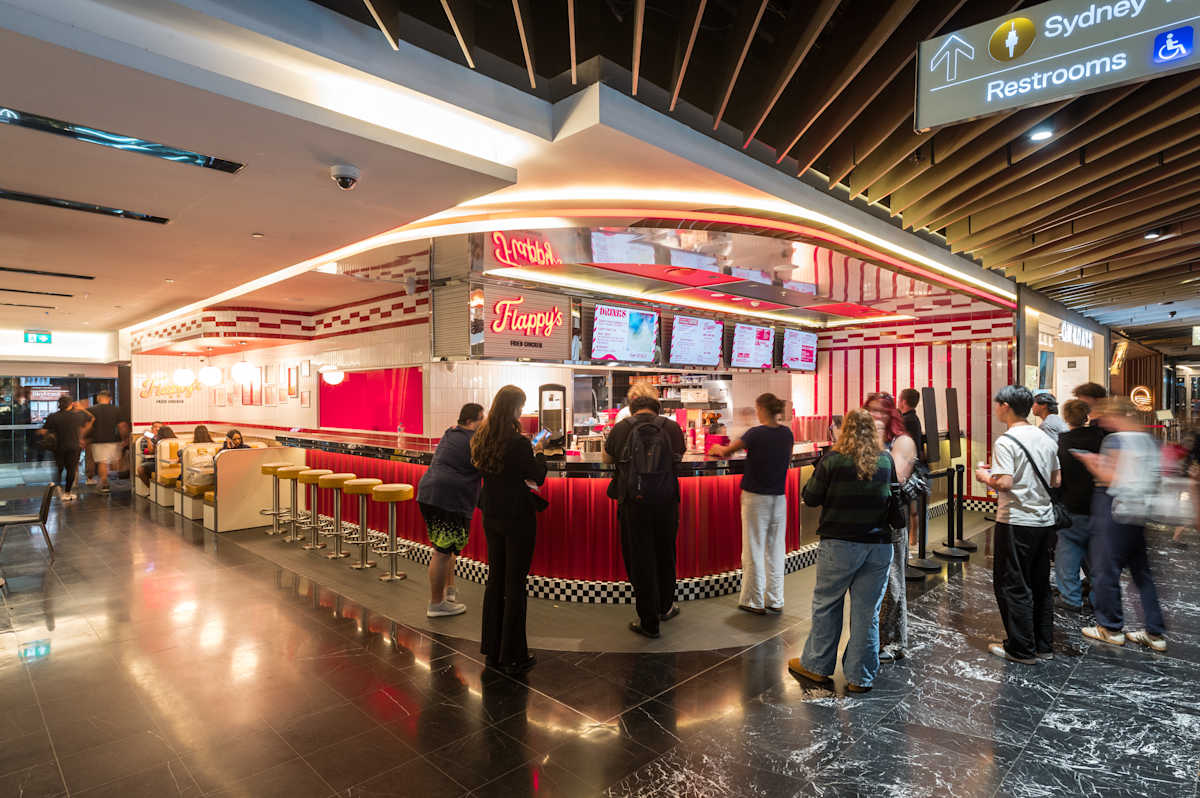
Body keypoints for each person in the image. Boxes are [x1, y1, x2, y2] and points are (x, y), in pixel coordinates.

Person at [787, 409, 895, 693]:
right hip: (879, 547)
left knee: (827, 605)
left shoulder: (832, 460)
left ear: (843, 430)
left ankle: (817, 667)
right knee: (867, 612)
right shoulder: (885, 460)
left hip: (840, 545)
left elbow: (810, 498)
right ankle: (861, 677)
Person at [975, 385, 1060, 665]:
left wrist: (985, 476)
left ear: (1006, 407)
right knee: (1039, 583)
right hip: (1044, 521)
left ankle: (1021, 647)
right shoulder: (1045, 437)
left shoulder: (1006, 441)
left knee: (1013, 583)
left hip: (1015, 521)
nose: (995, 408)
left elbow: (1005, 482)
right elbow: (1056, 480)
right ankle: (1043, 644)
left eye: (997, 403)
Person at [1075, 399, 1167, 653]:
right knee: (1142, 574)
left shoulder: (1114, 441)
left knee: (1106, 570)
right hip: (1138, 513)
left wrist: (1091, 463)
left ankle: (1110, 627)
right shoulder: (1148, 440)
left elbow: (1110, 477)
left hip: (1114, 509)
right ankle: (1155, 632)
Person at [472, 387, 546, 675]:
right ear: (515, 408)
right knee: (515, 584)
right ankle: (514, 654)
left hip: (491, 514)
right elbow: (536, 476)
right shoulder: (518, 442)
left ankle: (492, 648)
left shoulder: (483, 437)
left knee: (496, 580)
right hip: (517, 516)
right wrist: (539, 453)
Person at [605, 386, 686, 639]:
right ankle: (665, 607)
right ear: (657, 409)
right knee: (665, 552)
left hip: (633, 503)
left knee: (640, 558)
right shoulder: (671, 427)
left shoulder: (622, 427)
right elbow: (679, 457)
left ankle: (649, 621)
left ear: (632, 408)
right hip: (666, 501)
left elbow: (607, 460)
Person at [709, 393, 794, 615]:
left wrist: (715, 449)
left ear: (762, 409)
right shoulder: (787, 433)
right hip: (779, 498)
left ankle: (753, 600)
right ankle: (775, 599)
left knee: (754, 548)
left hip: (756, 498)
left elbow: (726, 452)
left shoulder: (756, 434)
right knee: (776, 549)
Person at [418, 403, 484, 619]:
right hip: (447, 498)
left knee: (448, 549)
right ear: (469, 422)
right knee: (441, 552)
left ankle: (448, 592)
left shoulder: (451, 433)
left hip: (430, 494)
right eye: (481, 420)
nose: (483, 424)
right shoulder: (472, 441)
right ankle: (436, 604)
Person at [865, 392, 918, 663]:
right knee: (872, 585)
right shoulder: (873, 442)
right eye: (871, 411)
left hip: (892, 521)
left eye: (881, 411)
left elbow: (894, 478)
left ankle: (895, 642)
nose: (875, 416)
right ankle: (876, 639)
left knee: (893, 581)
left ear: (892, 414)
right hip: (868, 521)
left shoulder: (903, 441)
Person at [1054, 399, 1105, 611]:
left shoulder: (1063, 441)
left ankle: (1070, 598)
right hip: (1098, 505)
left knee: (1067, 553)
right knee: (1095, 555)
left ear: (1066, 417)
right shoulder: (1100, 437)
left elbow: (1057, 476)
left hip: (1071, 504)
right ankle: (1098, 598)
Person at [41, 395, 89, 502]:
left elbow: (44, 431)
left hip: (58, 446)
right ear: (71, 404)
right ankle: (67, 493)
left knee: (59, 467)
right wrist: (81, 409)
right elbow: (90, 419)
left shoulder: (53, 416)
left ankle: (57, 487)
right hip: (73, 446)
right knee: (71, 469)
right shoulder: (77, 416)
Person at [86, 390, 122, 494]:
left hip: (98, 440)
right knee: (113, 461)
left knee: (102, 462)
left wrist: (84, 437)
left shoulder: (91, 410)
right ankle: (113, 481)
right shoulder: (116, 410)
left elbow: (88, 426)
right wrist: (124, 438)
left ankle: (104, 482)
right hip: (113, 439)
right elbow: (121, 426)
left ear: (98, 398)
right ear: (110, 398)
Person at [898, 388, 925, 462]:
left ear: (903, 402)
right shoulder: (913, 418)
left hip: (909, 465)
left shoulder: (907, 420)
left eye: (898, 399)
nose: (897, 402)